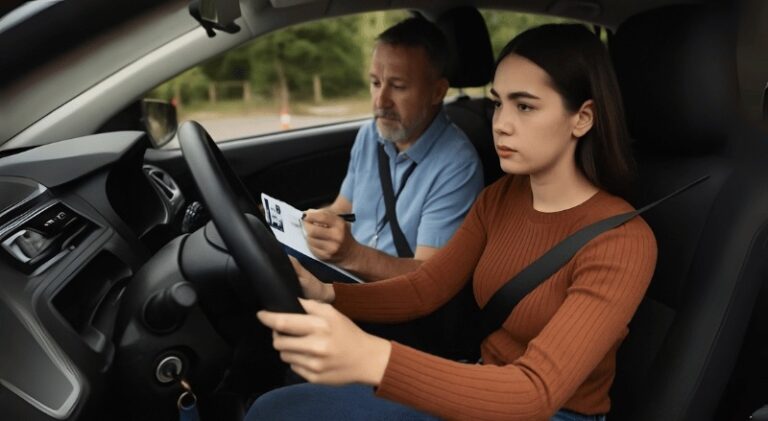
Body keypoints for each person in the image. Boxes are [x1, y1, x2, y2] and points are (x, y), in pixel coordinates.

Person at [248, 23, 657, 421]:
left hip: (551, 412)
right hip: (482, 382)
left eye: (525, 106)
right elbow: (426, 287)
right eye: (498, 102)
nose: (501, 123)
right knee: (275, 407)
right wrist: (329, 294)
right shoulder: (501, 197)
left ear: (582, 118)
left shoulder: (622, 240)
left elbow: (536, 394)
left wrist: (372, 358)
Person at [300, 17, 484, 282]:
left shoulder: (458, 164)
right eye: (376, 83)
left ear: (437, 92)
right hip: (345, 278)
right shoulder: (369, 135)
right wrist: (306, 225)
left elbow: (430, 277)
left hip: (396, 304)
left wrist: (353, 255)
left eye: (398, 86)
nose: (381, 101)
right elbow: (343, 207)